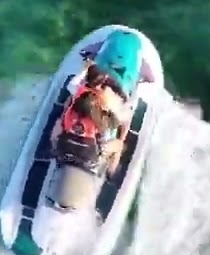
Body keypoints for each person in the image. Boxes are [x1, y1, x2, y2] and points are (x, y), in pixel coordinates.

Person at [52, 30, 145, 175]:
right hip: (91, 157)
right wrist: (121, 138)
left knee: (62, 121)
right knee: (118, 144)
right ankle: (113, 166)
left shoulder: (79, 95)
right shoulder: (109, 111)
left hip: (66, 149)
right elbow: (124, 122)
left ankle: (53, 148)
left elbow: (69, 104)